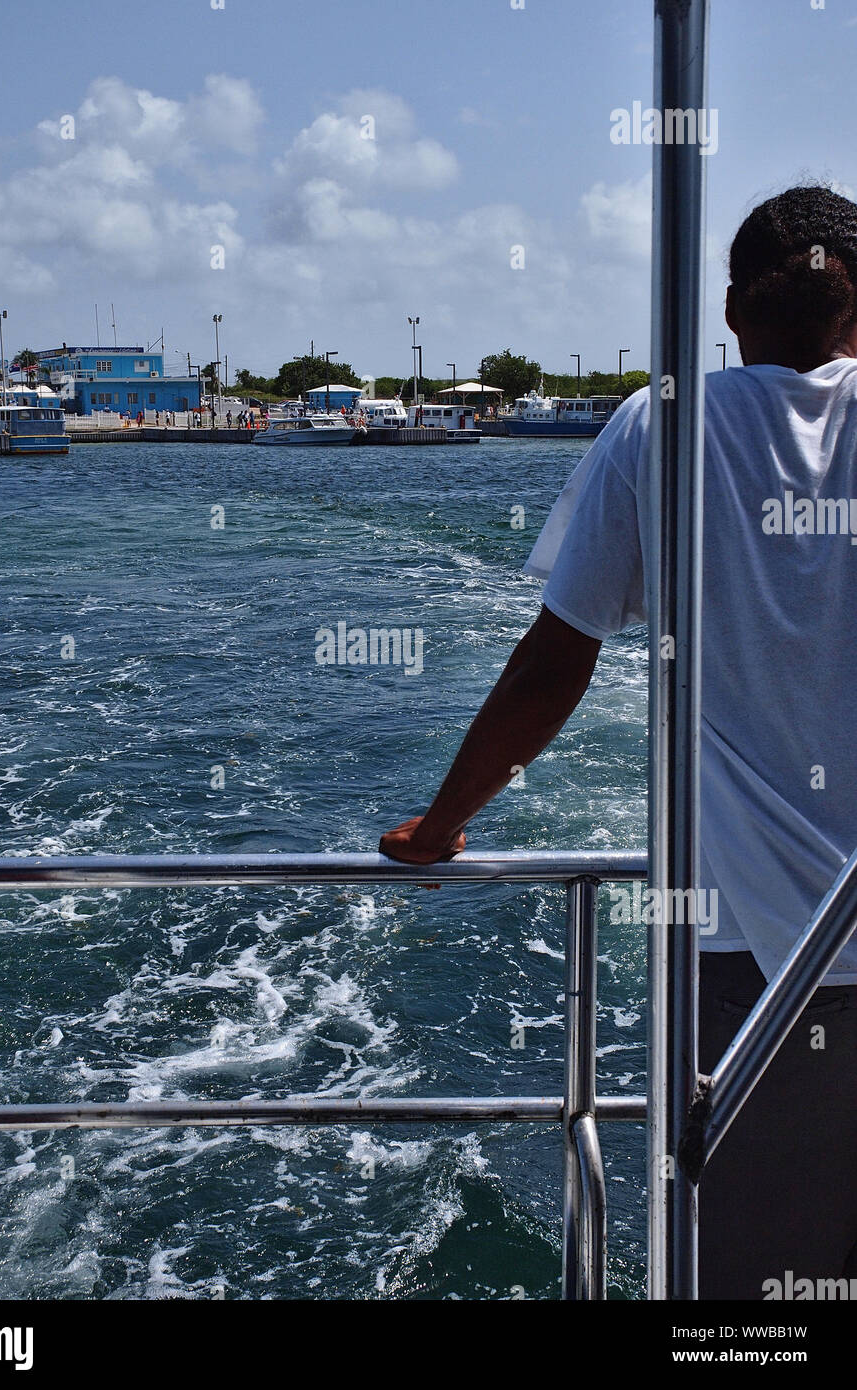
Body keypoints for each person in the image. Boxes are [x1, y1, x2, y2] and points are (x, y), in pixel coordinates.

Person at [381, 185, 857, 1300]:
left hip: (753, 959)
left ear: (731, 310)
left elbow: (559, 657)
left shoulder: (666, 423)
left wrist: (442, 823)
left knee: (750, 1292)